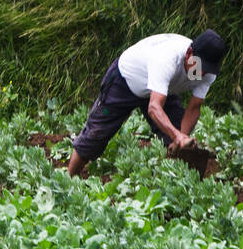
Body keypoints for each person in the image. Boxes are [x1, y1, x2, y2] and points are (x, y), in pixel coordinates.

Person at [67, 30, 227, 177]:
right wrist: (177, 136)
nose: (202, 73)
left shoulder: (206, 71)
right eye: (201, 67)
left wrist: (181, 139)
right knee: (95, 136)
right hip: (126, 80)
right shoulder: (167, 58)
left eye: (208, 69)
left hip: (163, 89)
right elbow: (154, 107)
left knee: (179, 138)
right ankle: (68, 179)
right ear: (189, 53)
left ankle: (174, 184)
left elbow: (194, 107)